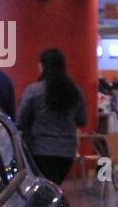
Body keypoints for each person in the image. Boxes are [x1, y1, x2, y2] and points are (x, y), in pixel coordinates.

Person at [18, 48, 87, 185]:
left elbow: (20, 120)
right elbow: (82, 121)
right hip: (67, 152)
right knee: (55, 186)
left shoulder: (33, 90)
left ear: (42, 66)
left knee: (44, 189)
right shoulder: (75, 91)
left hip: (40, 150)